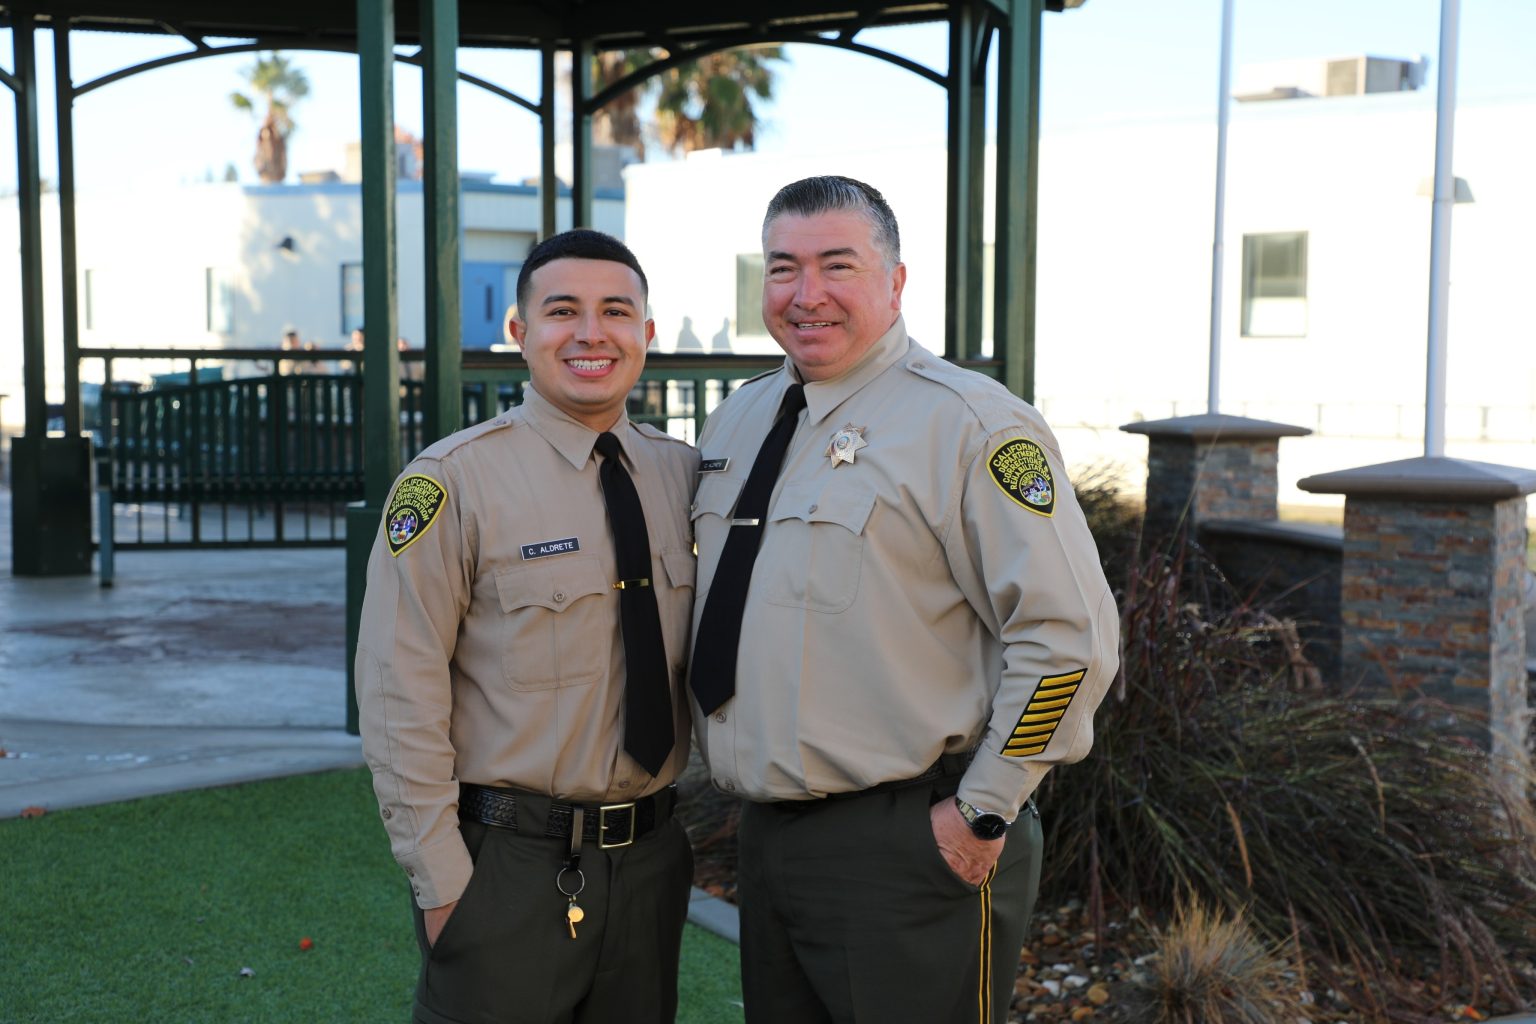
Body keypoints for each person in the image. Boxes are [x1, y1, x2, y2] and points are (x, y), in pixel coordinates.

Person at [687, 176, 1120, 1023]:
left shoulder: (972, 425)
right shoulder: (740, 420)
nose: (806, 295)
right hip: (769, 839)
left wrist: (984, 810)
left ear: (895, 281)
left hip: (910, 838)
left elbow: (1072, 640)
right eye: (783, 268)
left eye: (836, 266)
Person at [356, 229, 699, 1024]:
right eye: (562, 311)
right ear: (517, 333)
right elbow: (395, 693)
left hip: (650, 862)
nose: (590, 333)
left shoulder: (684, 476)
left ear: (646, 335)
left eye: (616, 311)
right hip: (508, 864)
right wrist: (445, 885)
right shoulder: (451, 484)